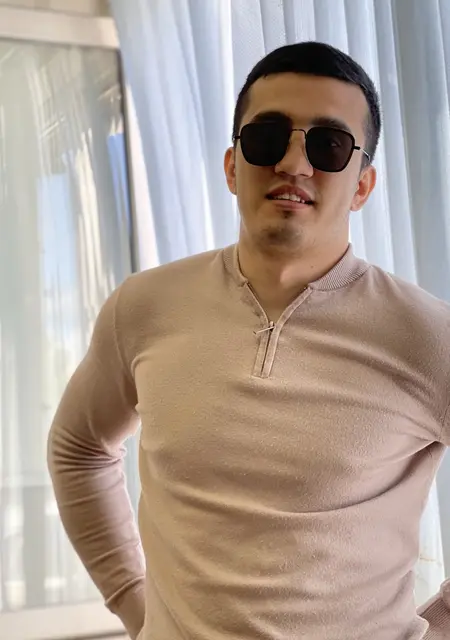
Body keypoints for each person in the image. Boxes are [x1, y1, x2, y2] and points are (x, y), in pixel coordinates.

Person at [47, 41, 450, 640]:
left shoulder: (428, 336)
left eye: (327, 145)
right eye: (267, 137)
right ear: (233, 166)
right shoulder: (144, 306)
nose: (293, 163)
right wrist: (135, 602)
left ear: (362, 185)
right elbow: (78, 447)